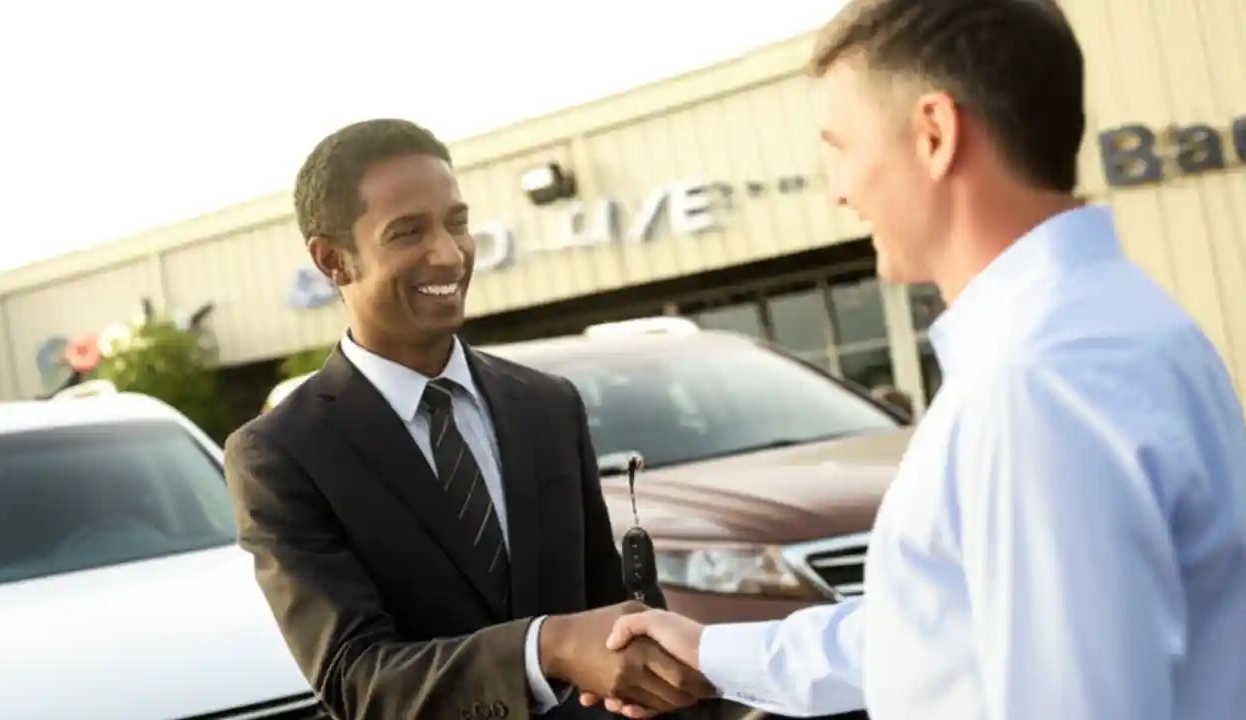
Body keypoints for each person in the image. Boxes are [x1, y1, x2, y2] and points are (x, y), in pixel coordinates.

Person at [584, 0, 1246, 718]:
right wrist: (712, 654)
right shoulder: (1114, 327)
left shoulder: (1037, 381)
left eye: (839, 146)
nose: (838, 190)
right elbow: (944, 634)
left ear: (934, 133)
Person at [223, 118, 718, 719]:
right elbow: (357, 683)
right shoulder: (281, 454)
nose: (449, 253)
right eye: (408, 233)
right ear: (333, 260)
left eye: (456, 222)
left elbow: (616, 614)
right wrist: (549, 647)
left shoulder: (546, 405)